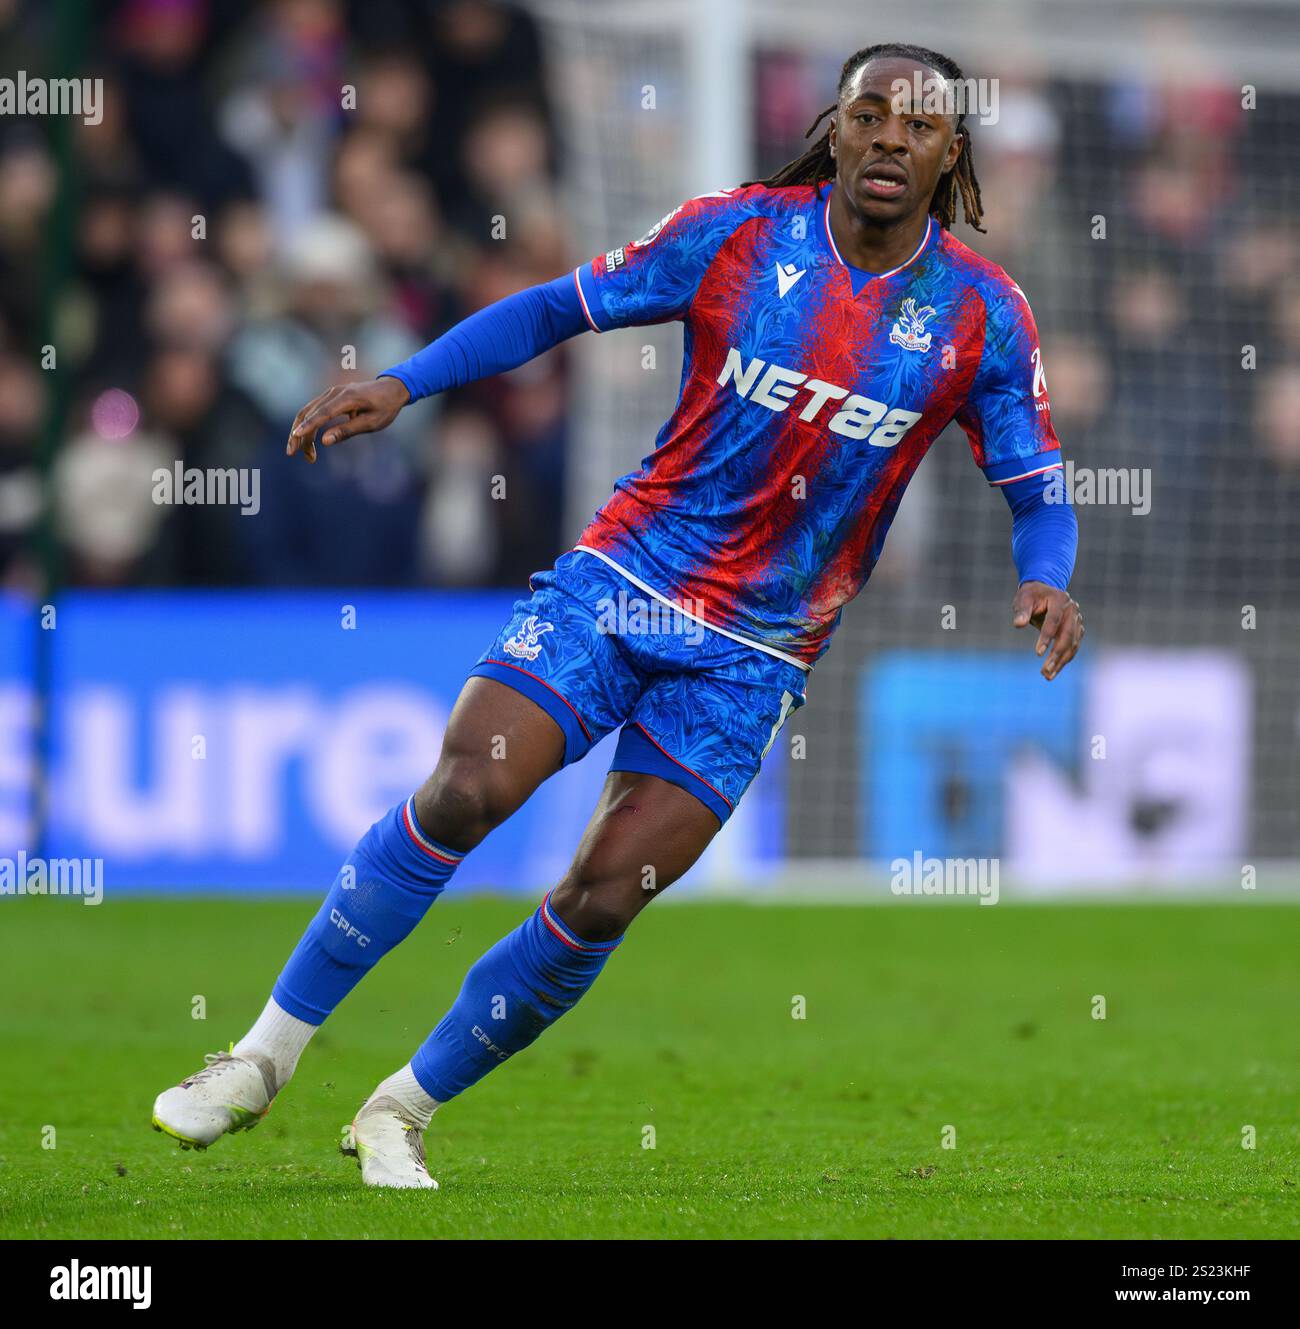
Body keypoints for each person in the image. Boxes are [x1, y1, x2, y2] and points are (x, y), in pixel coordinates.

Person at [152, 43, 1083, 1189]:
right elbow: (556, 308)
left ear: (953, 155)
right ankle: (256, 1061)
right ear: (834, 132)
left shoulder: (981, 316)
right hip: (625, 580)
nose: (892, 137)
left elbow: (1037, 488)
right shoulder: (735, 234)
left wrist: (1047, 571)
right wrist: (406, 381)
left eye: (921, 125)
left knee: (604, 895)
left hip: (754, 653)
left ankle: (402, 1107)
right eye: (871, 114)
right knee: (467, 786)